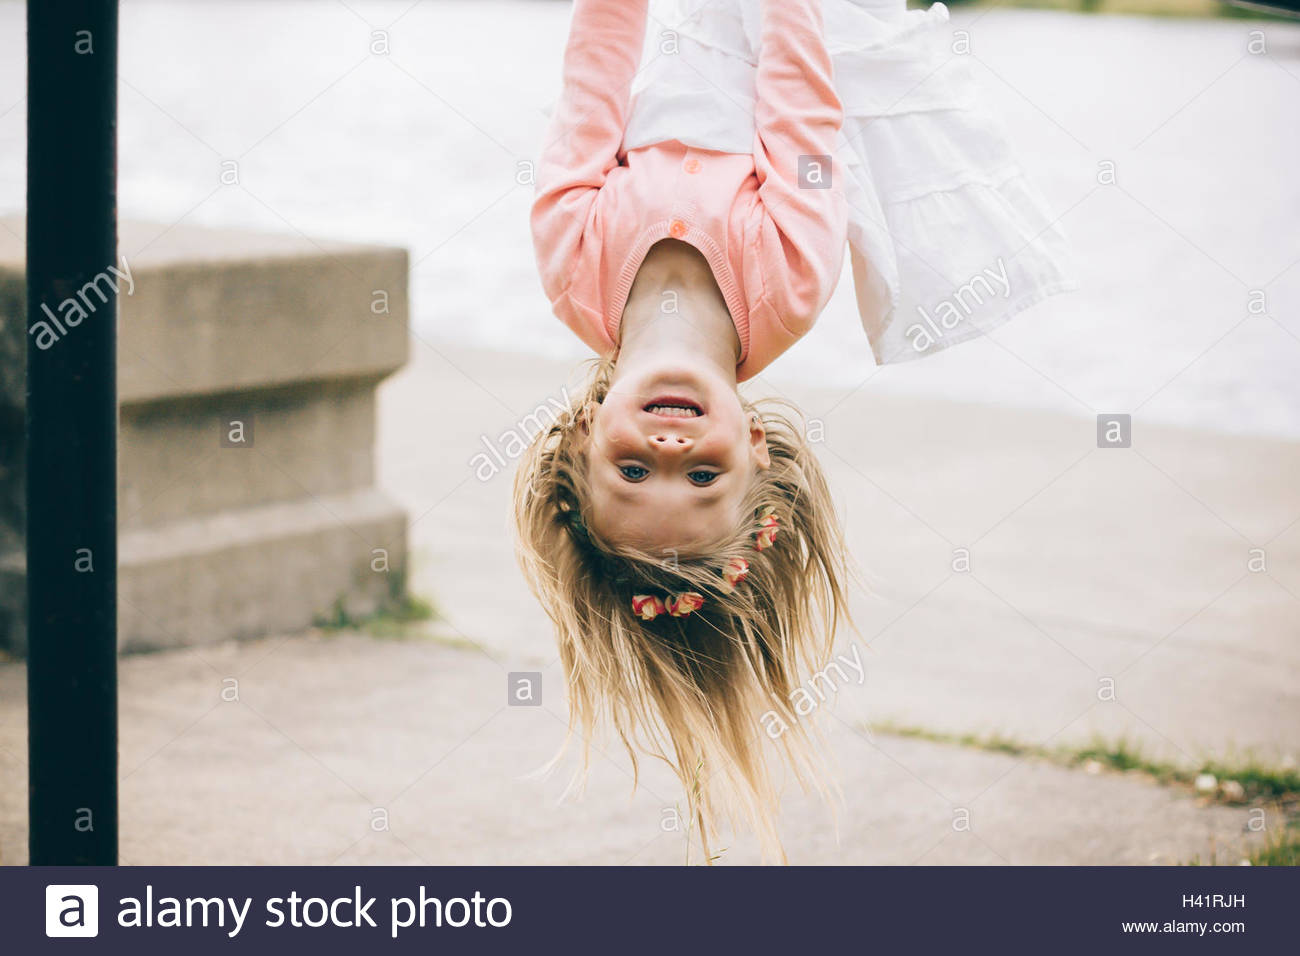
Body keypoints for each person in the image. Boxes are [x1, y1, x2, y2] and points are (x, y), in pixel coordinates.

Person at [516, 0, 1075, 862]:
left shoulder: (570, 271)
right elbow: (802, 116)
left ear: (586, 432)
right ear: (756, 450)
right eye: (704, 480)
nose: (670, 456)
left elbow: (590, 88)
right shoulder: (788, 284)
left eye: (632, 470)